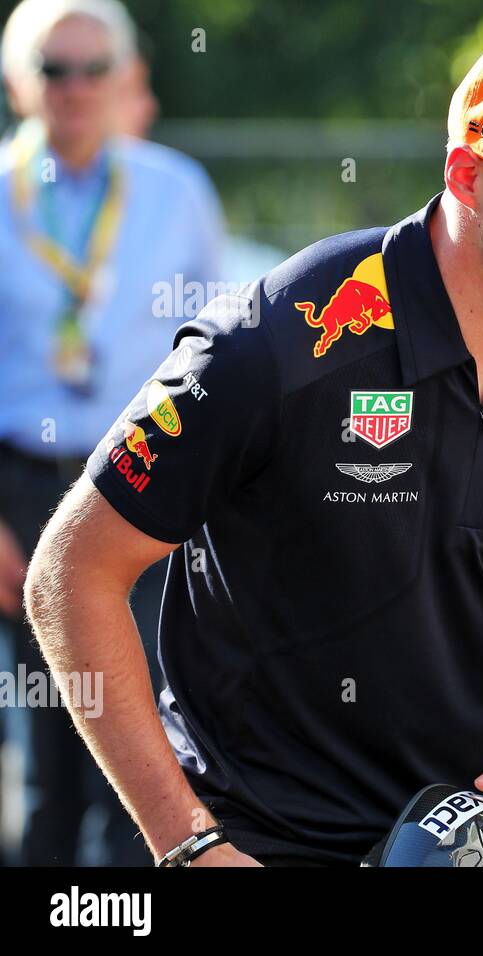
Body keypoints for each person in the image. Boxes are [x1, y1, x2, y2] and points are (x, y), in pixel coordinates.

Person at [21, 20, 483, 867]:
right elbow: (70, 574)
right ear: (468, 176)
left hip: (475, 843)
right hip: (255, 841)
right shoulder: (275, 340)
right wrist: (189, 844)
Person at [0, 0, 223, 865]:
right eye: (56, 69)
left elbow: (222, 357)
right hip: (22, 486)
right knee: (46, 759)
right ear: (22, 82)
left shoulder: (176, 189)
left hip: (147, 484)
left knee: (144, 753)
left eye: (95, 68)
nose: (76, 88)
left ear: (127, 77)